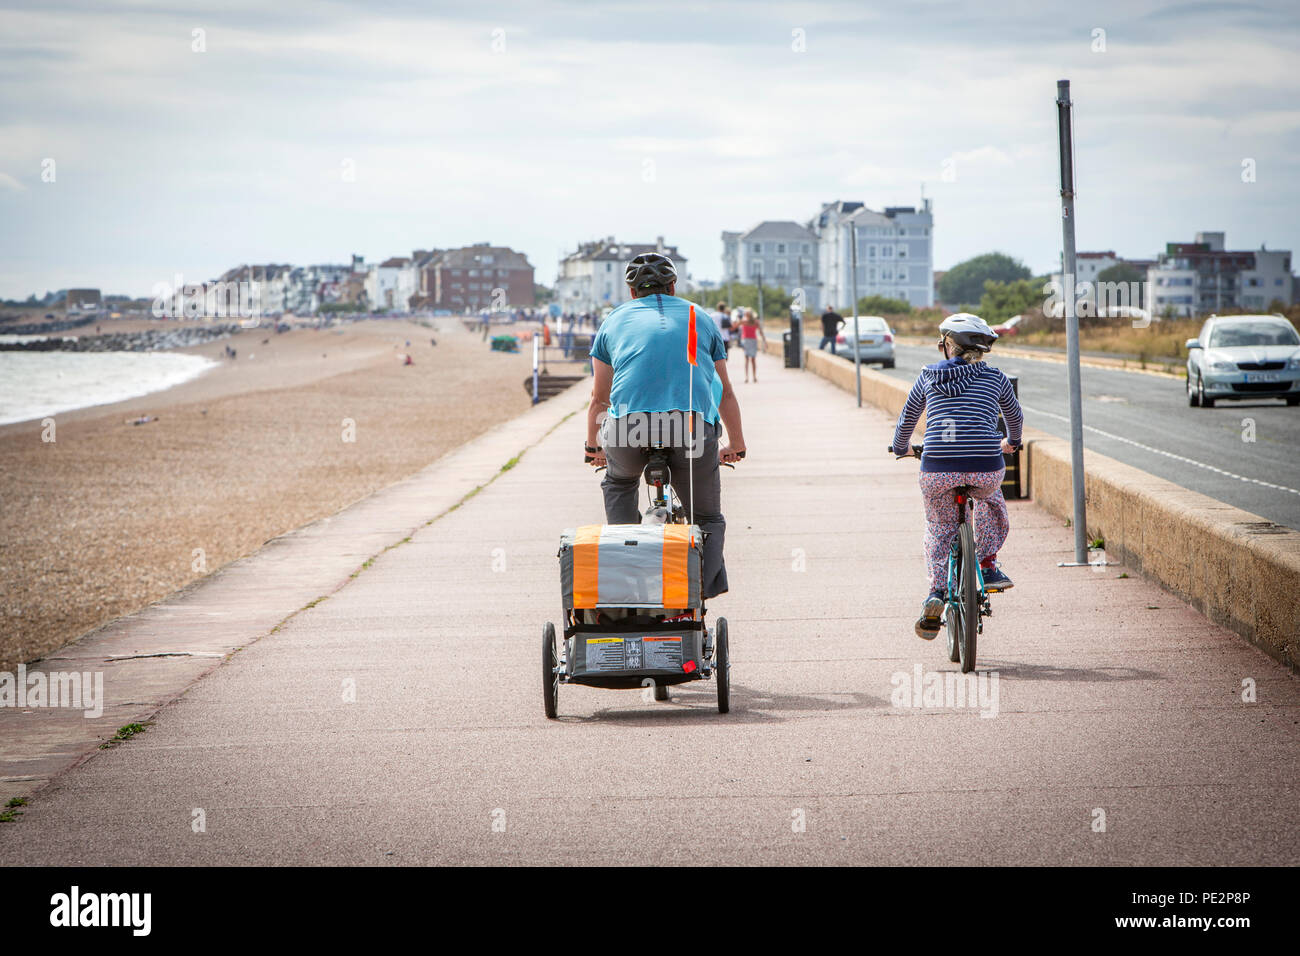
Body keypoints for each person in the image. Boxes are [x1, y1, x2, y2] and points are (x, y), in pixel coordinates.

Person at [585, 253, 746, 599]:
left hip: (629, 428)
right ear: (673, 287)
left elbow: (599, 399)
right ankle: (698, 593)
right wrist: (736, 443)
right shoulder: (698, 316)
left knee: (619, 483)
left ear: (631, 292)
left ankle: (627, 579)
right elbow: (726, 393)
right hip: (689, 428)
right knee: (706, 517)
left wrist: (593, 447)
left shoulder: (612, 321)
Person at [891, 313, 1023, 639]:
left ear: (949, 346)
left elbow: (908, 417)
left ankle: (937, 590)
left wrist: (900, 447)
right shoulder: (997, 379)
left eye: (942, 343)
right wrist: (1011, 442)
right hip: (985, 467)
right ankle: (989, 565)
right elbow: (1014, 418)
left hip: (937, 468)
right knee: (991, 498)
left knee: (939, 527)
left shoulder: (927, 377)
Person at [738, 308, 766, 383]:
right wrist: (764, 341)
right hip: (749, 341)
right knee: (749, 360)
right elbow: (761, 332)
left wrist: (764, 341)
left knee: (750, 360)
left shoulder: (746, 321)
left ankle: (752, 377)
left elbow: (760, 332)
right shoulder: (751, 322)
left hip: (750, 341)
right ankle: (749, 377)